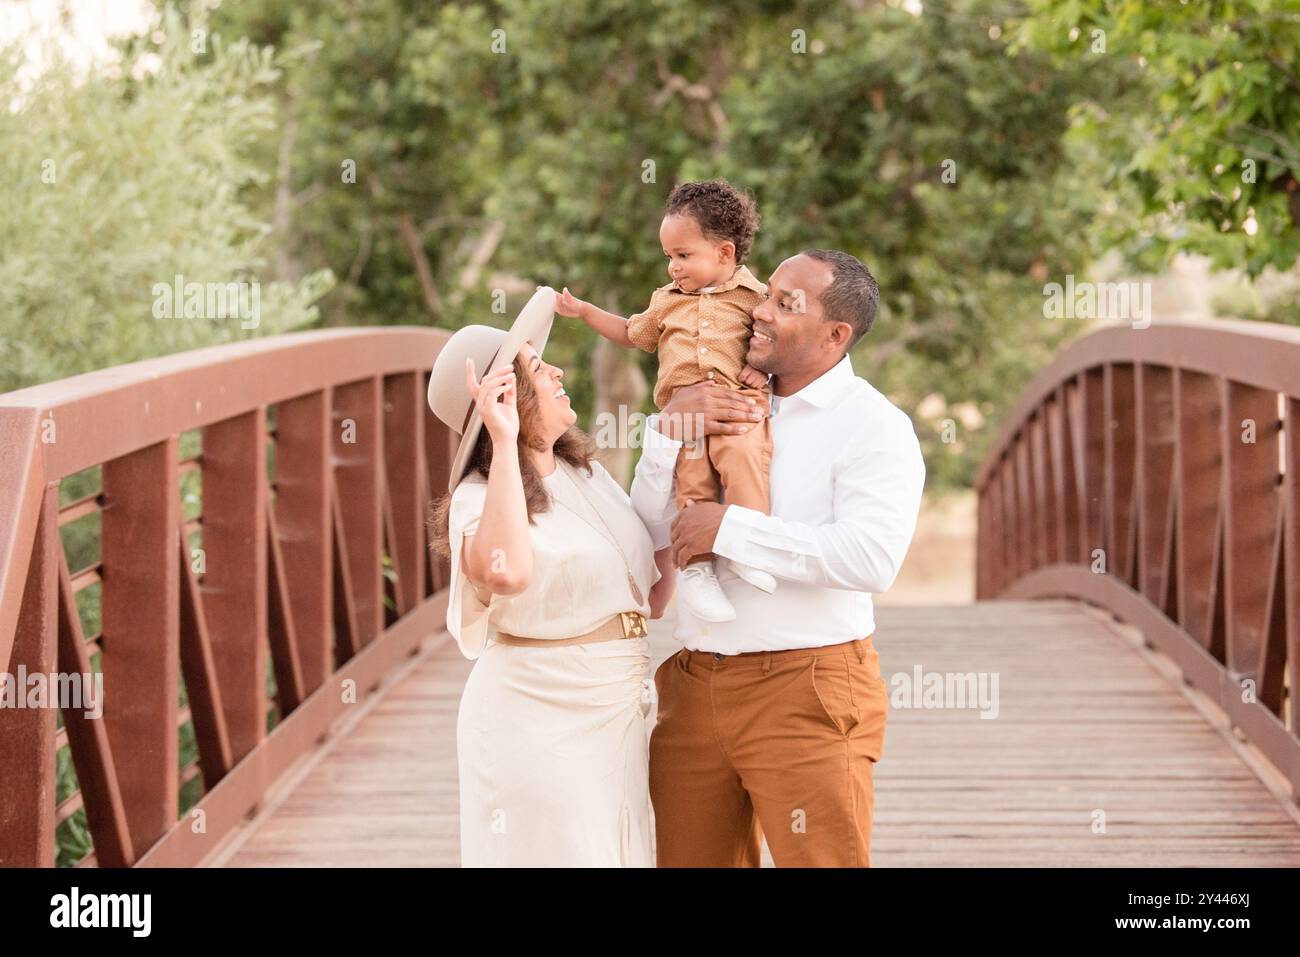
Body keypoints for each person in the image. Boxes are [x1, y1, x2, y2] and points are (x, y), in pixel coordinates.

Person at [628, 249, 927, 867]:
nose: (758, 311)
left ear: (835, 335)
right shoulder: (713, 391)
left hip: (806, 689)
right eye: (766, 294)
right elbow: (649, 538)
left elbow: (871, 559)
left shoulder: (874, 425)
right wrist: (665, 435)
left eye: (785, 305)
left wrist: (730, 530)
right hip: (693, 686)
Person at [426, 287, 665, 867]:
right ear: (506, 396)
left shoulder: (585, 474)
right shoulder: (477, 498)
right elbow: (507, 575)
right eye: (536, 366)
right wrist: (504, 443)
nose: (556, 369)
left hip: (620, 705)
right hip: (538, 712)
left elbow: (647, 597)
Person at [557, 179, 776, 624]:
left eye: (683, 256)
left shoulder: (757, 297)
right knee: (690, 486)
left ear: (725, 254)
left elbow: (774, 338)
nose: (673, 267)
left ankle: (749, 544)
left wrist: (761, 366)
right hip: (685, 418)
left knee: (744, 461)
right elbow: (629, 333)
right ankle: (695, 574)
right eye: (668, 257)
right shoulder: (666, 301)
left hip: (737, 407)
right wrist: (585, 312)